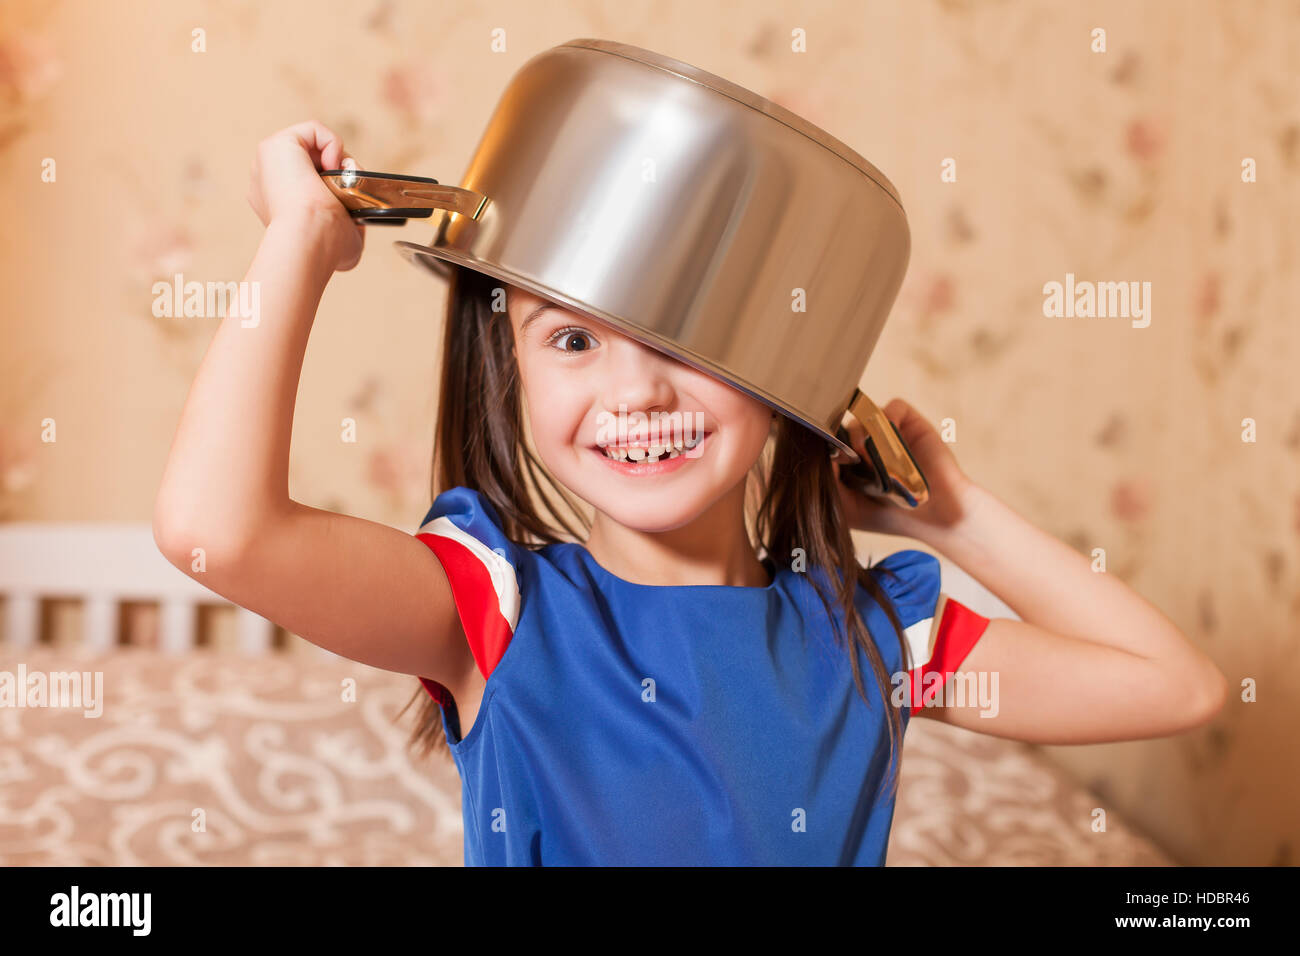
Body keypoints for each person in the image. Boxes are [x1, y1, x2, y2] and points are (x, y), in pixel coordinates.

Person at [153, 121, 1228, 866]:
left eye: (693, 339)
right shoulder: (488, 608)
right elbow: (214, 532)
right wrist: (296, 241)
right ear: (511, 374)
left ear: (786, 379)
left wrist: (951, 515)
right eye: (572, 339)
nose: (637, 388)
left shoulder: (874, 634)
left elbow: (1172, 689)